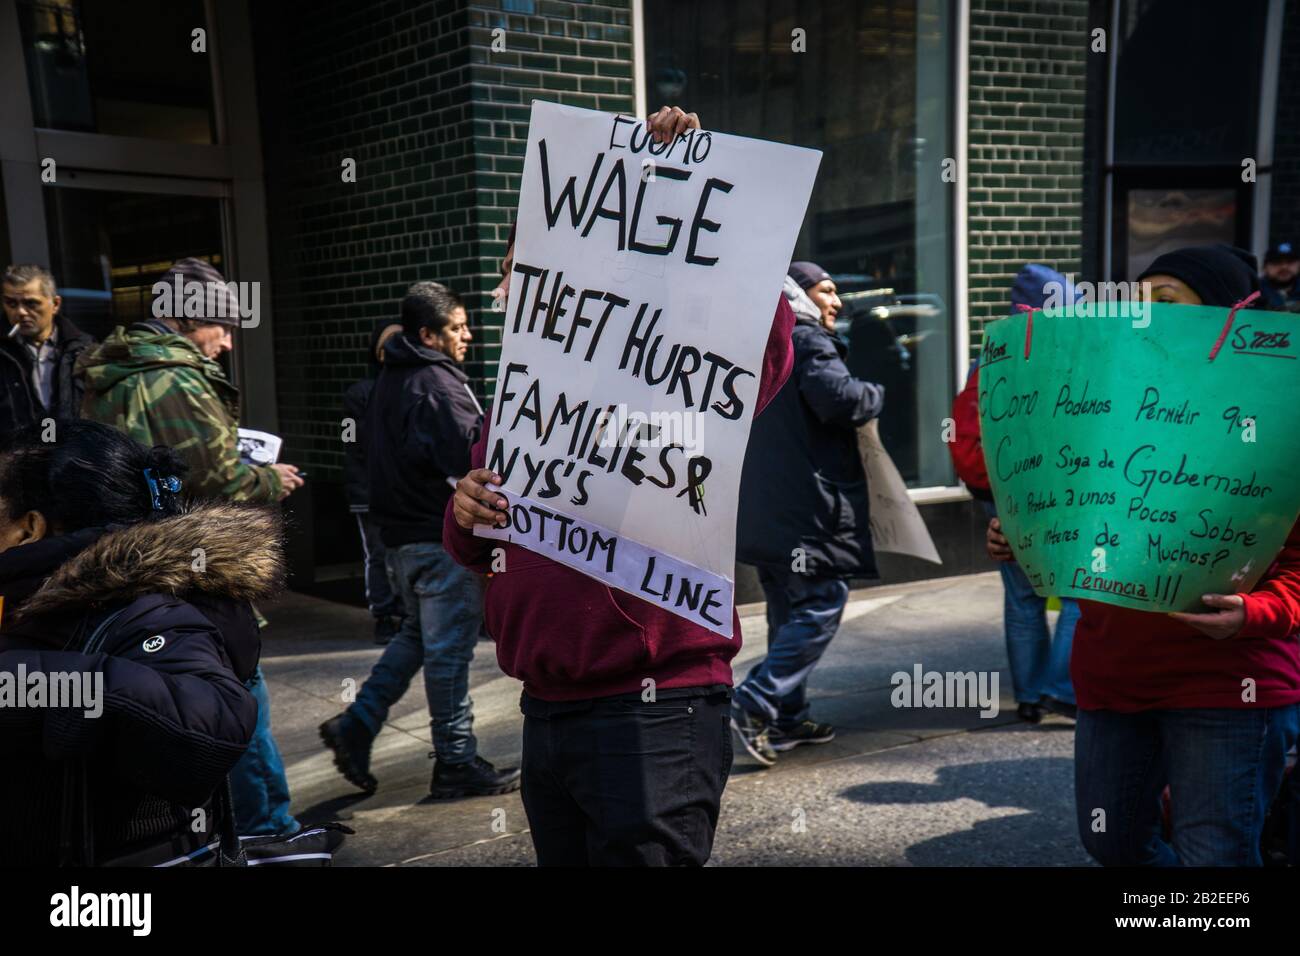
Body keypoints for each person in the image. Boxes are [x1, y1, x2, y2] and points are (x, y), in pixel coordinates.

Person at [444, 102, 797, 866]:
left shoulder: (668, 376)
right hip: (545, 710)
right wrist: (466, 513)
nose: (517, 282)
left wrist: (691, 183)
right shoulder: (517, 396)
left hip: (653, 713)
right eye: (517, 267)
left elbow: (754, 350)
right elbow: (485, 544)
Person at [987, 244, 1300, 866]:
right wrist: (1024, 538)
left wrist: (1255, 613)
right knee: (1112, 841)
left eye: (1167, 302)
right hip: (1113, 676)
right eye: (1137, 301)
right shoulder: (1099, 401)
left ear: (1226, 314)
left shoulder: (1280, 413)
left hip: (1228, 680)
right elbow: (1071, 521)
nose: (1144, 316)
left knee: (1215, 857)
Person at [79, 256, 305, 838]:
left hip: (133, 565)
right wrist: (270, 480)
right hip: (192, 566)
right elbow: (219, 481)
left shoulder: (113, 371)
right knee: (239, 695)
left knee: (182, 698)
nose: (226, 343)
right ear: (185, 319)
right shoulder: (178, 378)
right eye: (220, 328)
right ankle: (267, 831)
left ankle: (207, 826)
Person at [0, 420, 279, 865]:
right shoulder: (23, 596)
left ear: (30, 527)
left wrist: (34, 684)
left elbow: (213, 723)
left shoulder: (149, 612)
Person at [320, 281, 518, 799]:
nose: (467, 335)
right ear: (428, 334)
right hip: (437, 537)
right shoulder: (437, 384)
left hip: (400, 541)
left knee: (416, 637)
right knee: (449, 654)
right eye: (456, 327)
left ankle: (357, 723)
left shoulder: (392, 377)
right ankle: (455, 761)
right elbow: (471, 463)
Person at [730, 263, 884, 766]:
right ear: (800, 296)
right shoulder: (809, 340)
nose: (836, 302)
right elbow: (840, 399)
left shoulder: (756, 344)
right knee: (821, 604)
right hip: (807, 511)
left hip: (764, 513)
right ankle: (756, 698)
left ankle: (788, 718)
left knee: (787, 611)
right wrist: (875, 393)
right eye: (827, 291)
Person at [951, 265, 1081, 723]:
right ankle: (1059, 689)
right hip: (1055, 494)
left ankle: (1028, 697)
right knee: (1076, 596)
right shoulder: (1065, 356)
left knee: (1022, 597)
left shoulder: (991, 353)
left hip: (996, 492)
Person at [343, 321, 406, 645]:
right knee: (378, 554)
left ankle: (406, 612)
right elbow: (353, 443)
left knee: (404, 553)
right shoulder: (360, 394)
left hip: (404, 490)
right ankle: (383, 614)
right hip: (370, 489)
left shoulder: (414, 387)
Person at [0, 264, 92, 444]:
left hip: (70, 457)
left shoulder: (83, 349)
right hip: (16, 460)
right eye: (11, 303)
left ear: (55, 304)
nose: (20, 312)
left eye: (31, 303)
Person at [1259, 240, 1300, 312]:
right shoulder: (1253, 291)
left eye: (1290, 262)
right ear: (1265, 267)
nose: (1284, 267)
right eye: (1277, 262)